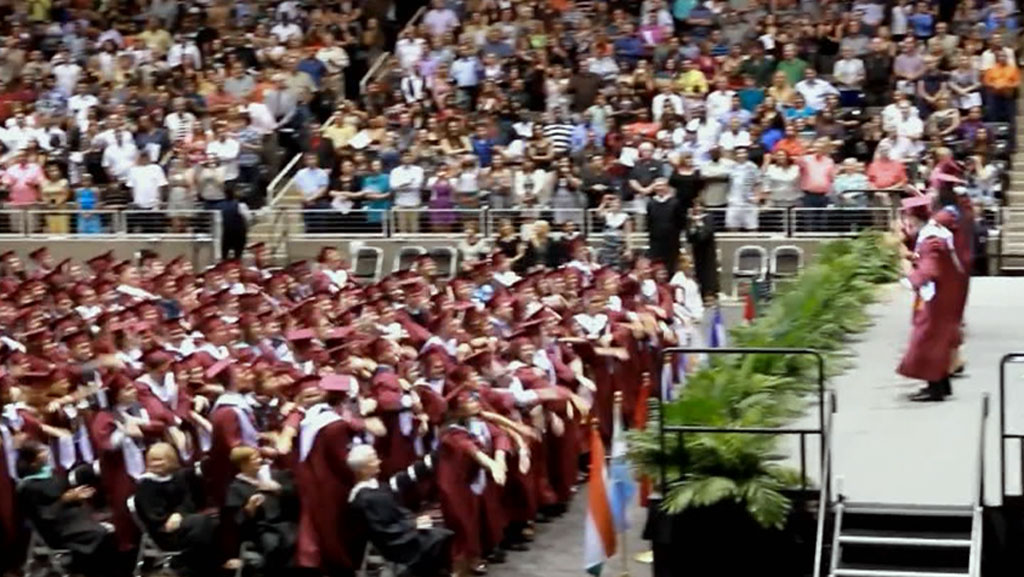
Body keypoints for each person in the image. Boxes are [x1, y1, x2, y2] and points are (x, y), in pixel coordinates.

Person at [348, 445, 453, 577]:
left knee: (442, 531)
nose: (379, 462)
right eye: (373, 460)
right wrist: (413, 524)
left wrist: (414, 520)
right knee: (439, 538)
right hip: (396, 543)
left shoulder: (376, 488)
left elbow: (399, 495)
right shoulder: (366, 499)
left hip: (404, 530)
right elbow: (385, 530)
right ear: (363, 470)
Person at [16, 441, 116, 577]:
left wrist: (77, 495)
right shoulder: (28, 487)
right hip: (57, 529)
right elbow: (44, 514)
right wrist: (65, 500)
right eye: (41, 452)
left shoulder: (51, 475)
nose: (46, 454)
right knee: (98, 533)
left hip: (73, 520)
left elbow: (65, 493)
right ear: (33, 462)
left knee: (108, 530)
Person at [133, 443, 222, 575]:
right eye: (152, 460)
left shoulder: (178, 478)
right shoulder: (146, 485)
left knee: (213, 522)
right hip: (164, 531)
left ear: (170, 460)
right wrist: (166, 520)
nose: (156, 464)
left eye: (160, 460)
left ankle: (209, 565)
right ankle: (192, 566)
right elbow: (153, 516)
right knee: (200, 523)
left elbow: (188, 502)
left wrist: (179, 514)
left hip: (183, 521)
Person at [223, 446, 298, 575]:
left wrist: (278, 489)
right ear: (243, 463)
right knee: (272, 544)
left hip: (285, 523)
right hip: (261, 528)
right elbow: (236, 521)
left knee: (295, 540)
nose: (259, 460)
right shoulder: (236, 488)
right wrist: (249, 508)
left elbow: (295, 496)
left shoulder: (274, 476)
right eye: (255, 458)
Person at [647, 180, 684, 276]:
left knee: (671, 266)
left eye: (662, 185)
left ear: (667, 187)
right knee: (656, 265)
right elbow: (649, 222)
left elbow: (680, 221)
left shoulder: (675, 202)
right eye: (657, 186)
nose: (659, 188)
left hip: (671, 241)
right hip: (656, 241)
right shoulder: (651, 203)